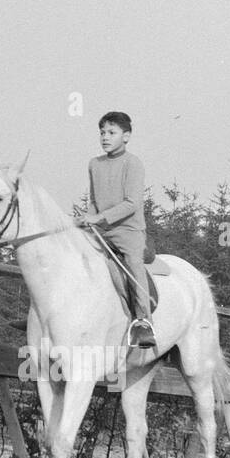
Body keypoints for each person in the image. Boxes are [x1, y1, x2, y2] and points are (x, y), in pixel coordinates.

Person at [75, 111, 155, 348]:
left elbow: (132, 203)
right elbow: (94, 201)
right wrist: (87, 217)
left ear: (126, 136)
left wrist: (99, 218)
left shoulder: (133, 163)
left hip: (128, 231)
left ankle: (143, 322)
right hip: (100, 229)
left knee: (132, 265)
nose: (105, 137)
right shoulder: (94, 164)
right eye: (102, 133)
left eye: (112, 133)